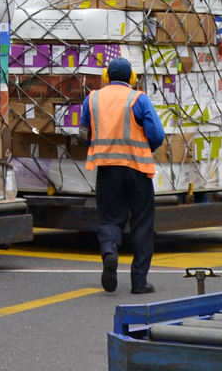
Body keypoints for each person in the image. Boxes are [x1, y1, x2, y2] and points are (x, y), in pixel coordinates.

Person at [84, 56, 167, 295]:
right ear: (132, 78)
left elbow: (83, 133)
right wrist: (145, 147)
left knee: (109, 219)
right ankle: (139, 282)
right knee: (142, 223)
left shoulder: (93, 98)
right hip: (138, 170)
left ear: (106, 76)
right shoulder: (138, 99)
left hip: (107, 169)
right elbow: (157, 134)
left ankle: (110, 252)